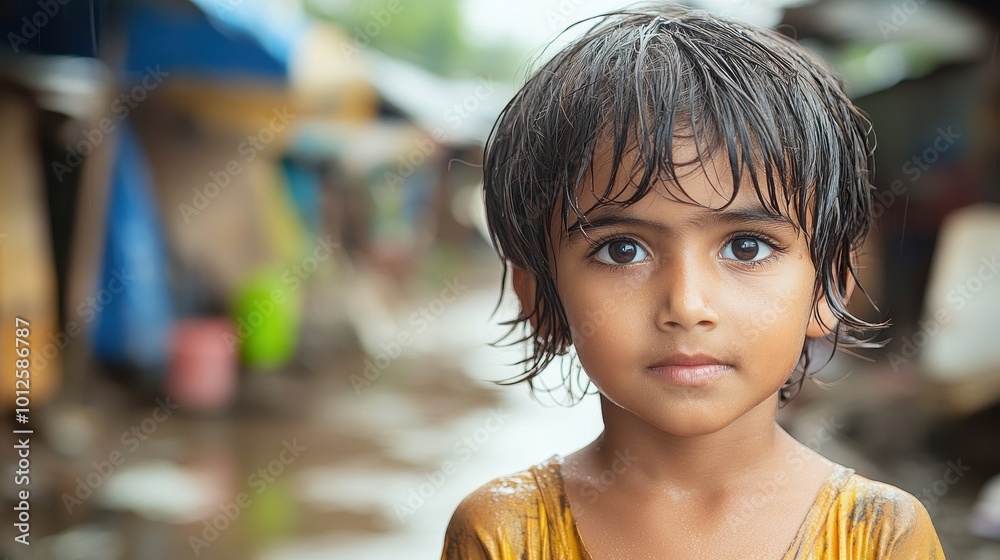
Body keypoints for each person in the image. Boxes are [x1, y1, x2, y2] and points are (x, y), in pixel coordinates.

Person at [440, 3, 946, 559]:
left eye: (746, 247)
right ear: (538, 295)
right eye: (621, 249)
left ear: (828, 284)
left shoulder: (878, 535)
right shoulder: (504, 532)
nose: (686, 304)